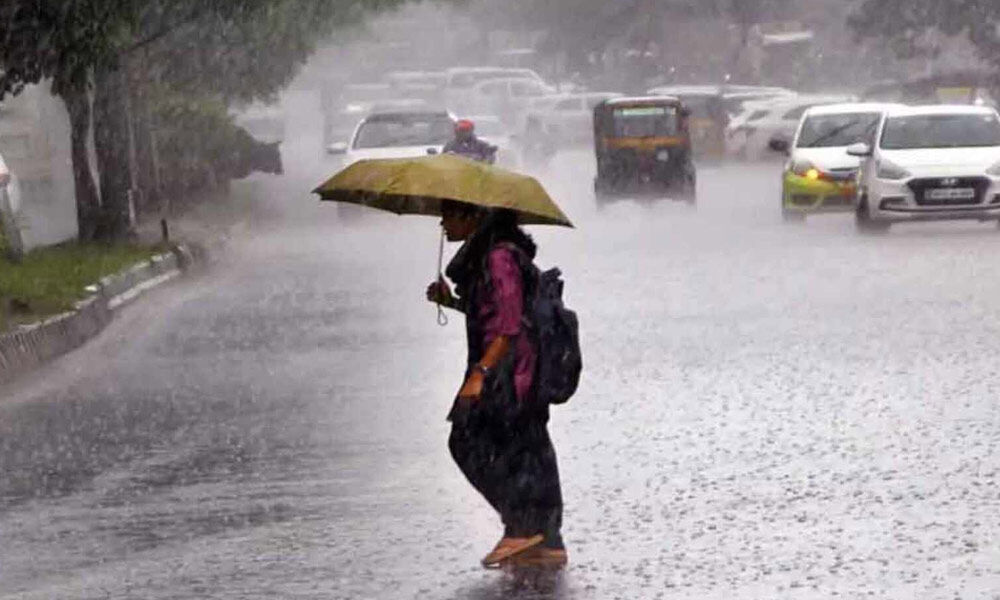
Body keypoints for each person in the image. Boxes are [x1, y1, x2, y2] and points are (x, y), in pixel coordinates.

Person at [426, 200, 566, 569]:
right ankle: (547, 541)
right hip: (517, 369)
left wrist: (480, 374)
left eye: (449, 214)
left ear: (474, 217)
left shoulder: (499, 258)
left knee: (467, 440)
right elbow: (490, 312)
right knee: (528, 451)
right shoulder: (492, 254)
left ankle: (522, 526)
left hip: (510, 372)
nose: (443, 223)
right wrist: (452, 302)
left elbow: (509, 323)